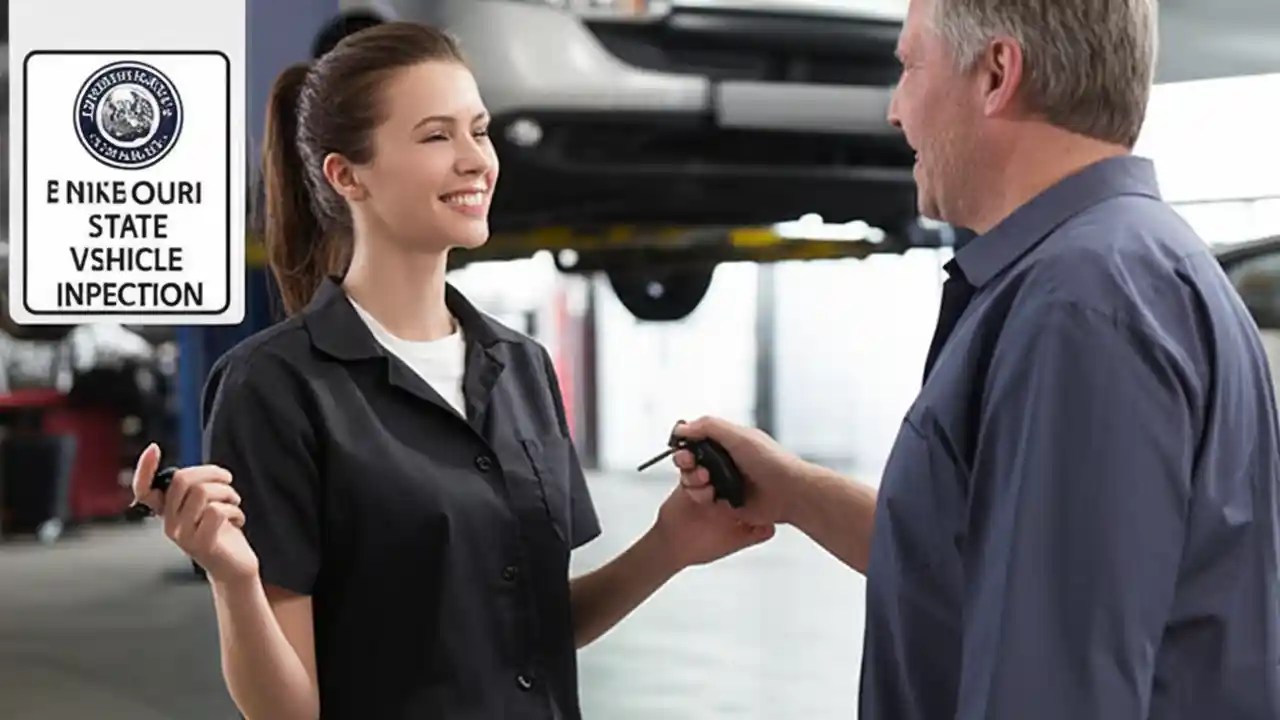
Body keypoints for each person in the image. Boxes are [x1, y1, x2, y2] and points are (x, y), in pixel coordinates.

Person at [130, 22, 774, 720]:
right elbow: (288, 712)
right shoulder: (274, 386)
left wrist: (669, 544)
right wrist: (236, 577)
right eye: (437, 136)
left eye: (481, 131)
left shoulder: (521, 367)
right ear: (347, 175)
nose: (476, 161)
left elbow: (526, 630)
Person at [674, 0, 1280, 718]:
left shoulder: (1083, 306)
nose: (897, 111)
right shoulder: (1129, 265)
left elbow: (1054, 685)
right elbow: (990, 564)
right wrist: (798, 493)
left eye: (908, 67)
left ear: (996, 74)